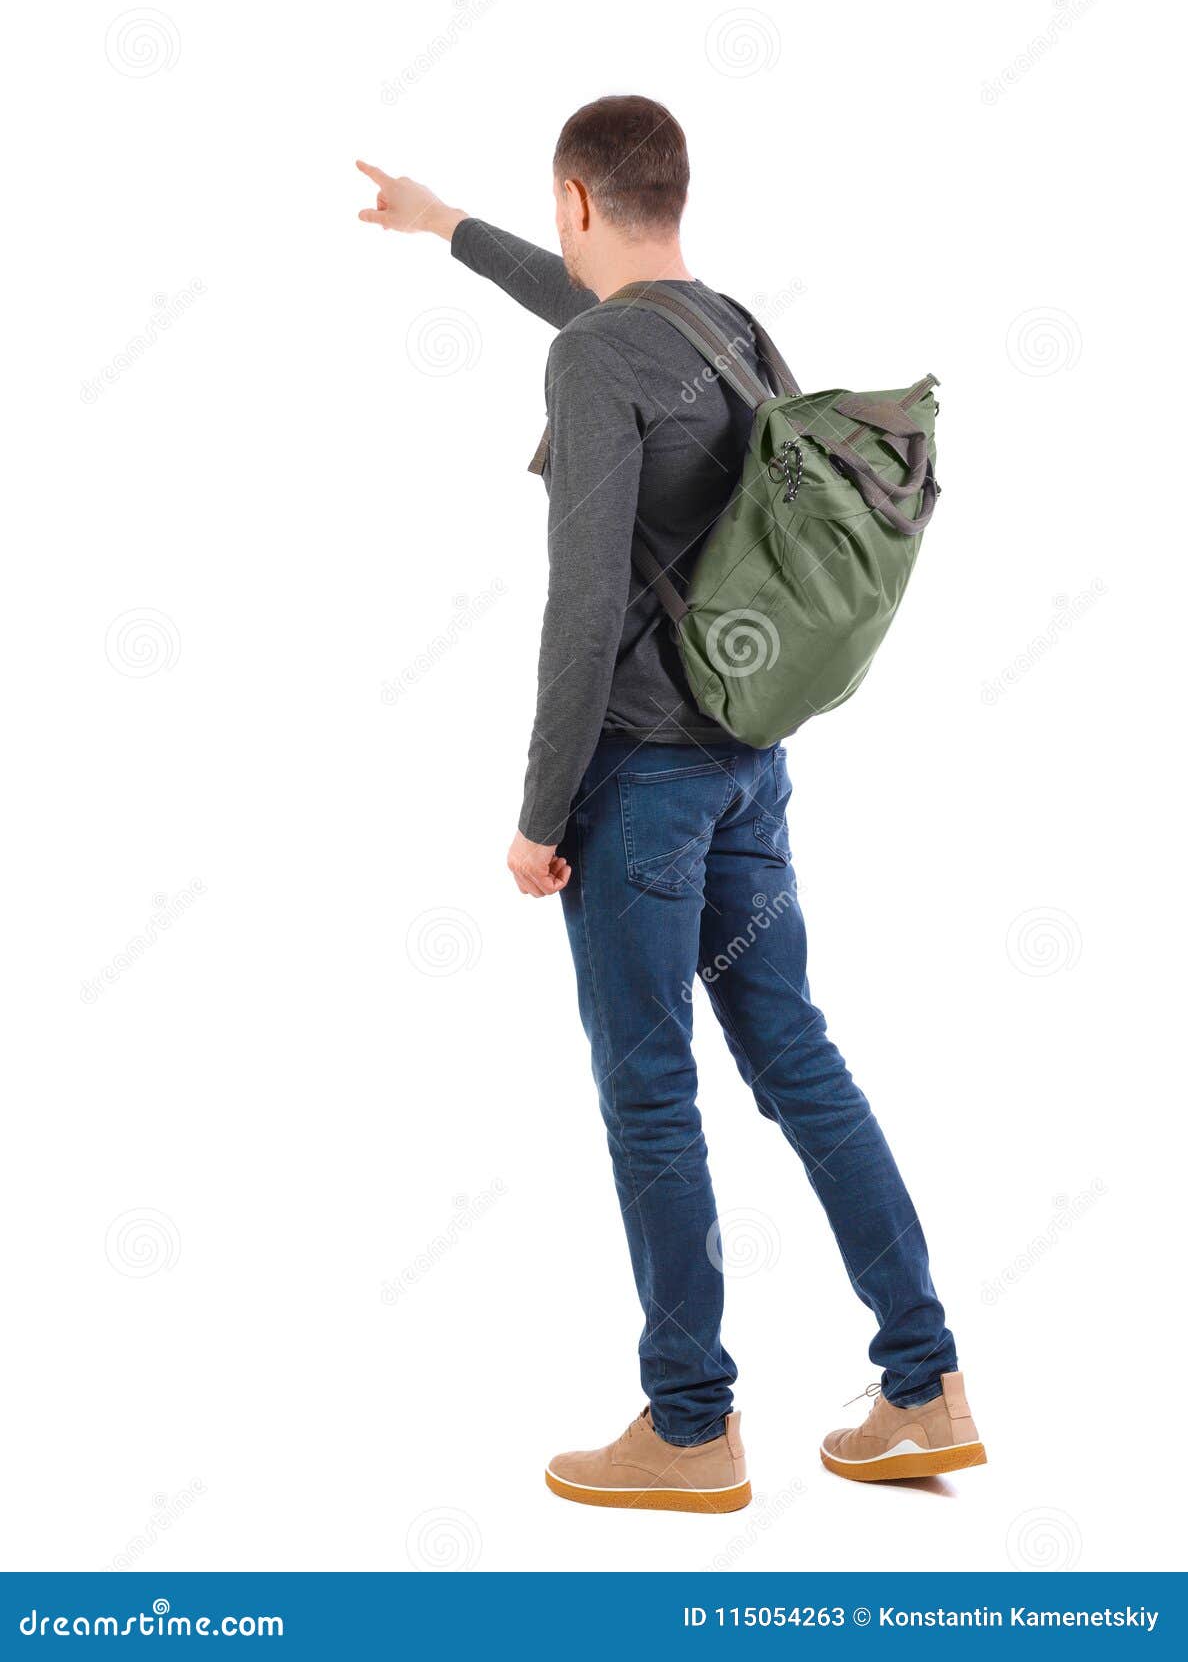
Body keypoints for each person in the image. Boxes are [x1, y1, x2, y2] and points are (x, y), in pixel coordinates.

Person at [356, 95, 984, 1514]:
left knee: (652, 1095)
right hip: (747, 768)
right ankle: (924, 1378)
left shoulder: (597, 360)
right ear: (663, 197)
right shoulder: (732, 328)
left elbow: (584, 609)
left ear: (578, 200)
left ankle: (691, 1425)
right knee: (796, 1058)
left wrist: (538, 812)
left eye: (549, 217)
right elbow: (583, 317)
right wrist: (446, 223)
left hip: (637, 784)